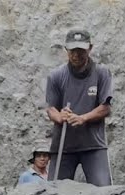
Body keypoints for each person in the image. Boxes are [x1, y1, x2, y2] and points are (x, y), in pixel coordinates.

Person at [44, 29, 114, 186]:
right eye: (72, 50)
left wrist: (83, 118)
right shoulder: (56, 75)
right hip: (63, 146)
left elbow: (106, 108)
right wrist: (60, 117)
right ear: (66, 50)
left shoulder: (102, 73)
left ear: (90, 48)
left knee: (103, 193)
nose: (76, 54)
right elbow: (51, 109)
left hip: (94, 145)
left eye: (80, 50)